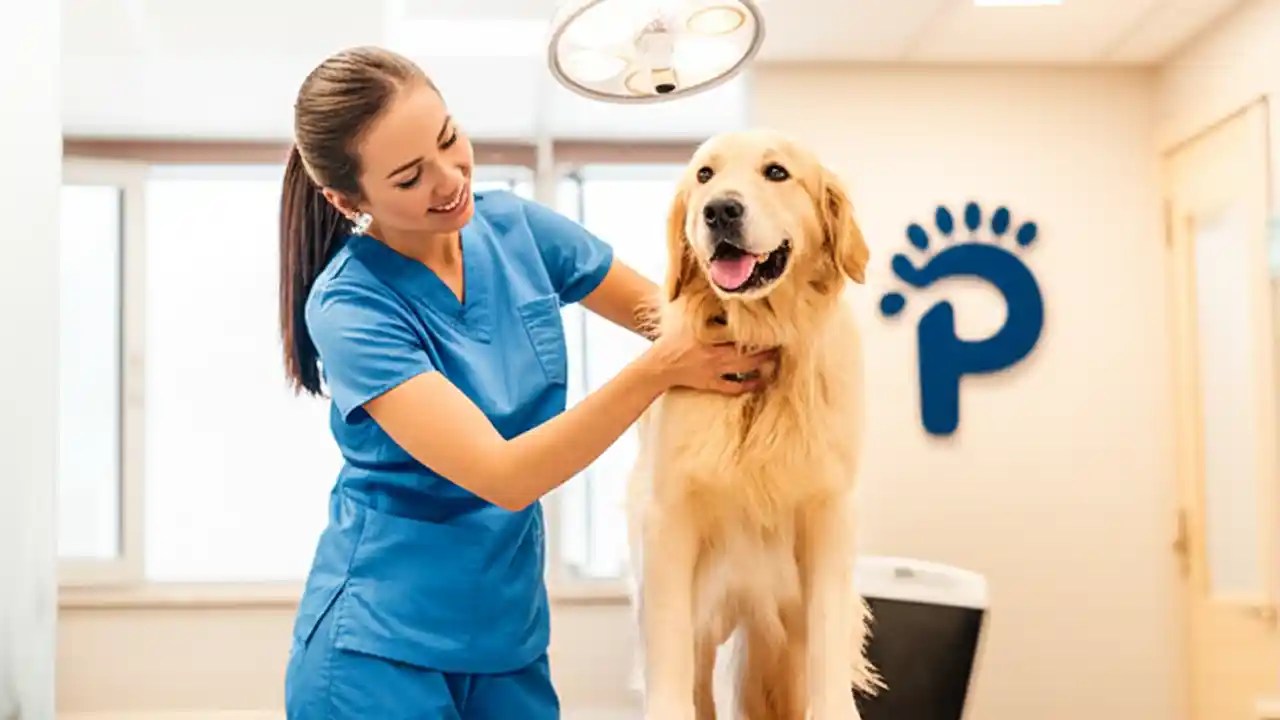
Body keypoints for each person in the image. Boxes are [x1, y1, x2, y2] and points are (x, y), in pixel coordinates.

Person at [277, 46, 776, 720]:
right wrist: (659, 372)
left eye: (450, 139)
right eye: (408, 176)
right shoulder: (351, 307)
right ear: (348, 199)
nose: (449, 178)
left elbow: (680, 323)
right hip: (379, 646)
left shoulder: (515, 229)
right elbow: (504, 476)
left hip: (506, 633)